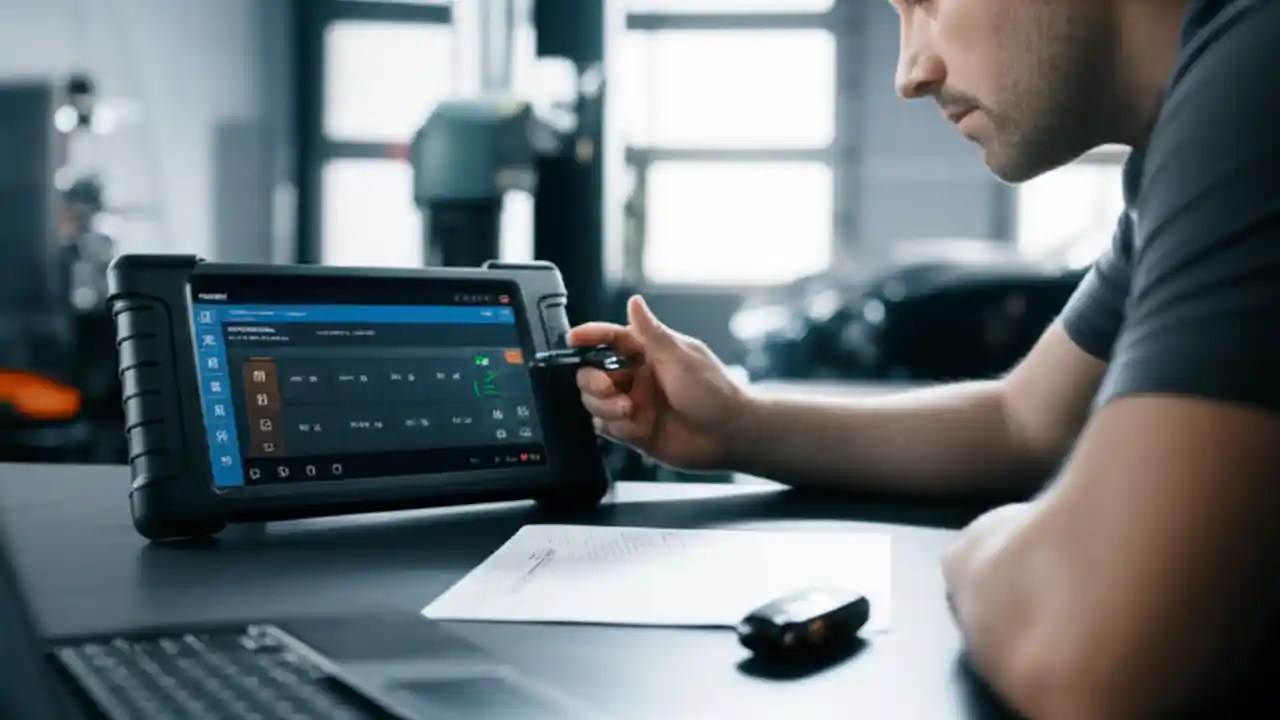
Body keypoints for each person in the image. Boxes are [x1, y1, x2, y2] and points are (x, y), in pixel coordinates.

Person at [570, 0, 1280, 716]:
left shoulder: (1259, 67)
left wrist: (993, 542)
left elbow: (1086, 652)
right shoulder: (1176, 153)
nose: (910, 73)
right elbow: (1025, 419)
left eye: (927, 3)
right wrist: (739, 424)